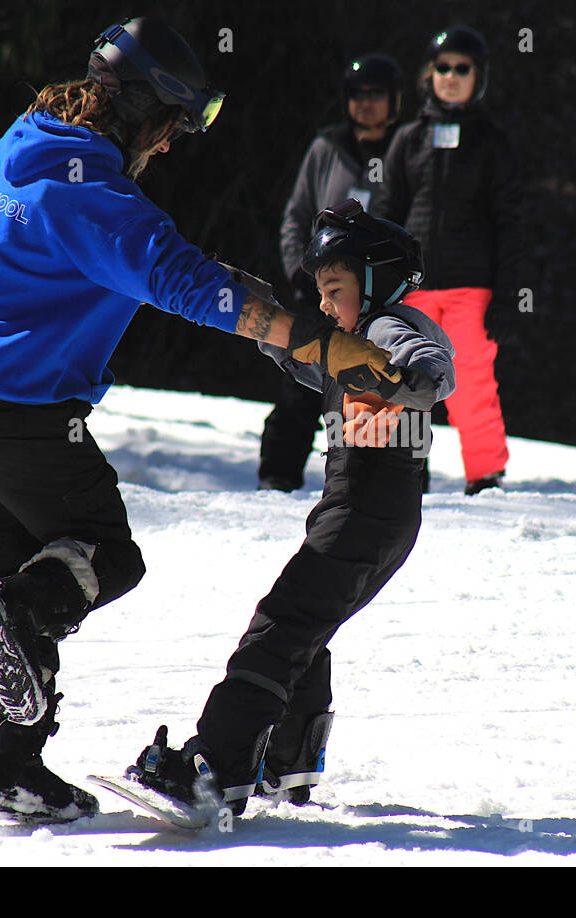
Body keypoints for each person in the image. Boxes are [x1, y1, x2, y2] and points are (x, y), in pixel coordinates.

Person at [0, 18, 405, 824]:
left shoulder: (20, 142)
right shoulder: (93, 197)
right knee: (103, 559)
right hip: (18, 419)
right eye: (176, 125)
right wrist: (327, 346)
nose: (171, 147)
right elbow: (190, 283)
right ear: (144, 110)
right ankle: (17, 647)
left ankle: (7, 769)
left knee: (23, 602)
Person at [123, 200, 455, 812]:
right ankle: (290, 763)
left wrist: (403, 381)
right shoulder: (348, 340)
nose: (326, 306)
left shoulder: (384, 332)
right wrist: (257, 309)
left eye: (335, 289)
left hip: (363, 513)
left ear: (376, 282)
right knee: (305, 628)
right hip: (372, 518)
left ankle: (214, 769)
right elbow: (296, 348)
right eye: (320, 293)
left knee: (280, 627)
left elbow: (431, 361)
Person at [372, 26, 521, 495]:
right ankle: (406, 469)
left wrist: (510, 290)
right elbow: (386, 213)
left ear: (479, 76)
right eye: (443, 67)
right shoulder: (408, 139)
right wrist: (375, 280)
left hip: (470, 286)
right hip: (411, 288)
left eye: (462, 68)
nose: (451, 76)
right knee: (401, 374)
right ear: (429, 75)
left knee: (472, 383)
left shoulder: (492, 142)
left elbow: (510, 221)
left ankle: (485, 476)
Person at [259, 53, 404, 492]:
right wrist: (303, 279)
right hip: (323, 292)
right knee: (300, 385)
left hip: (383, 298)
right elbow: (295, 217)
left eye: (375, 95)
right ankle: (276, 478)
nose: (365, 104)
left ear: (395, 100)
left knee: (391, 385)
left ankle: (405, 485)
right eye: (357, 96)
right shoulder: (328, 148)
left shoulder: (407, 148)